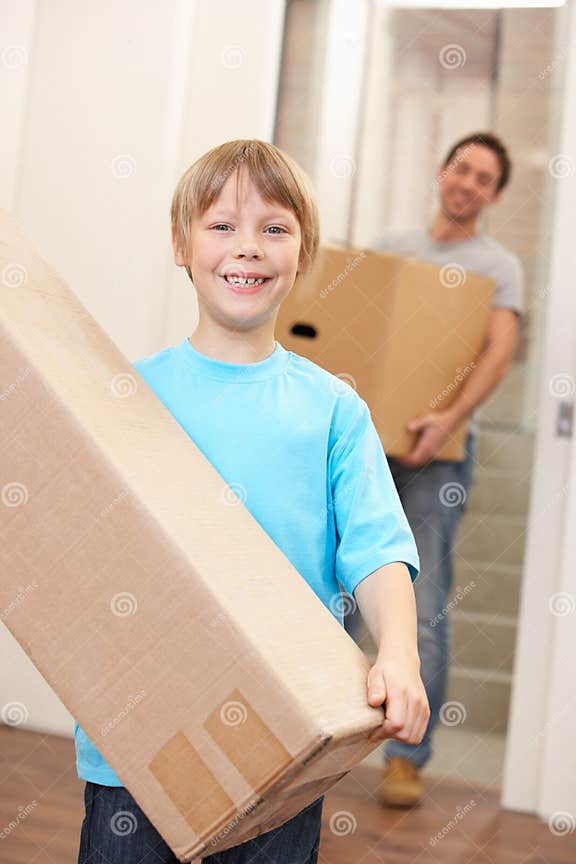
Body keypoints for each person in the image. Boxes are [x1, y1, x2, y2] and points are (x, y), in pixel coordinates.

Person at [74, 139, 430, 864]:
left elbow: (376, 548)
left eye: (274, 228)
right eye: (221, 225)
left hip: (281, 745)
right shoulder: (128, 397)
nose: (248, 248)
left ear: (304, 252)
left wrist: (399, 652)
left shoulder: (333, 410)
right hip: (138, 743)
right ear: (181, 245)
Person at [345, 131, 524, 808]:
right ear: (442, 170)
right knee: (337, 593)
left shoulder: (498, 266)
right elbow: (354, 330)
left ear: (494, 195)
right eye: (462, 168)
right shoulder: (393, 247)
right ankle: (316, 738)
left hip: (436, 456)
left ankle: (406, 759)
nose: (468, 184)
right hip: (366, 447)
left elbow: (497, 355)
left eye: (484, 178)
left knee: (421, 603)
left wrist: (448, 420)